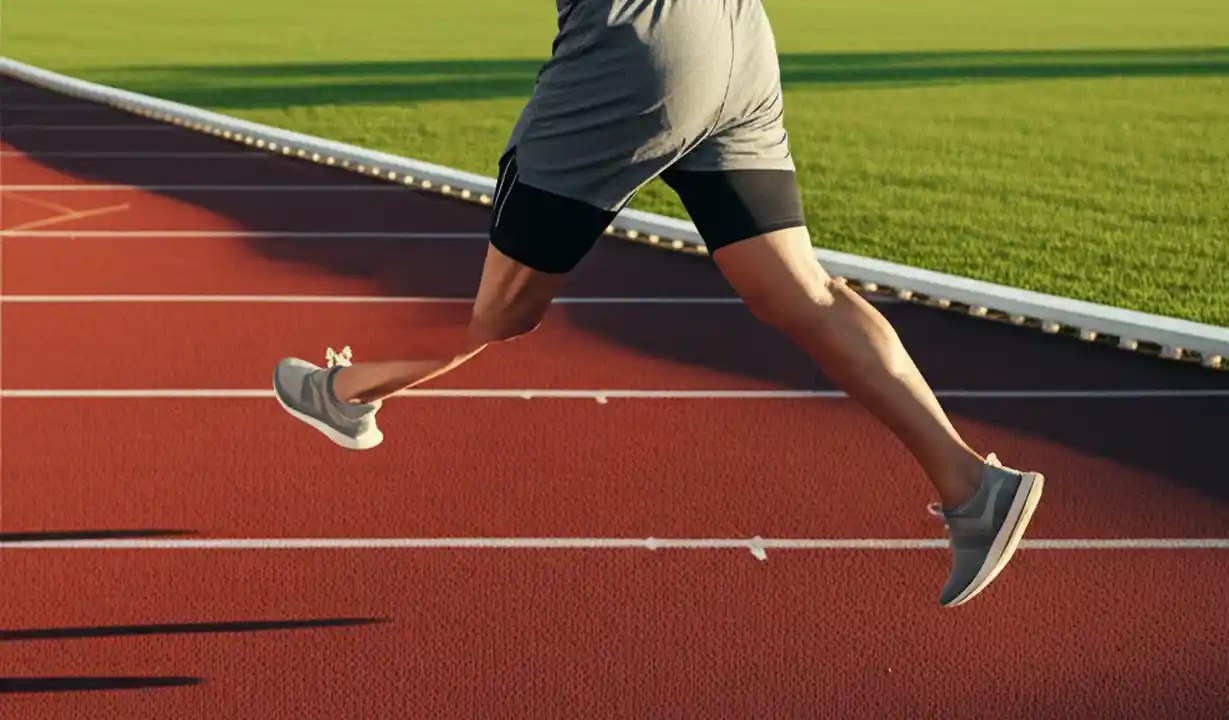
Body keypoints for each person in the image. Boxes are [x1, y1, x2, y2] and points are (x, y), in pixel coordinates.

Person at [272, 0, 1044, 607]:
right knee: (801, 291)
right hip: (736, 39)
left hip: (637, 49)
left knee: (499, 308)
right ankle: (970, 485)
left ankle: (346, 392)